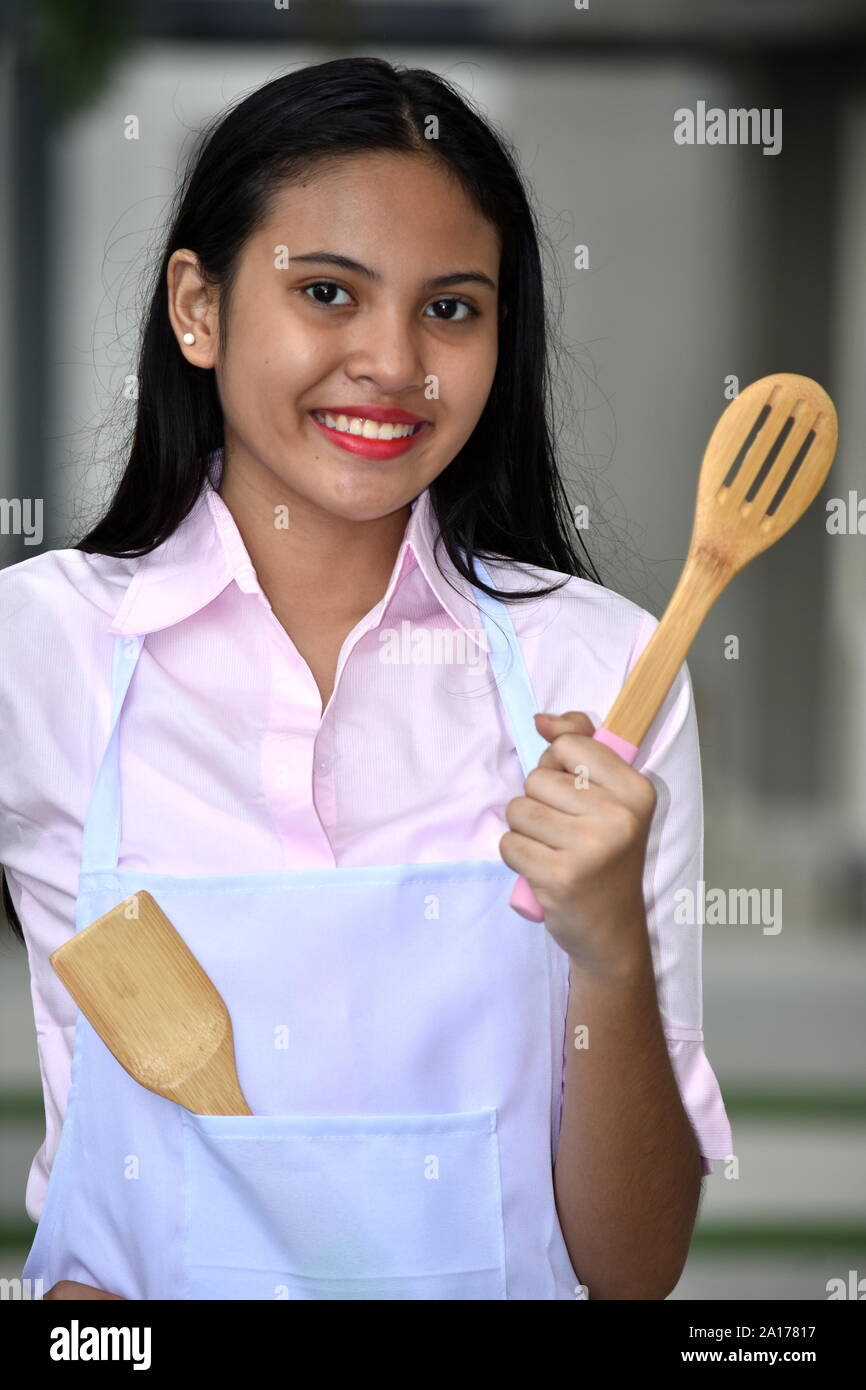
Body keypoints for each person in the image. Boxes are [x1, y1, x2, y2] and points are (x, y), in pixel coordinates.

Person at [0, 56, 731, 1301]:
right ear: (198, 305)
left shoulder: (602, 671)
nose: (392, 361)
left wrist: (606, 946)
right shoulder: (38, 653)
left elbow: (632, 1272)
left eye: (451, 308)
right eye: (328, 291)